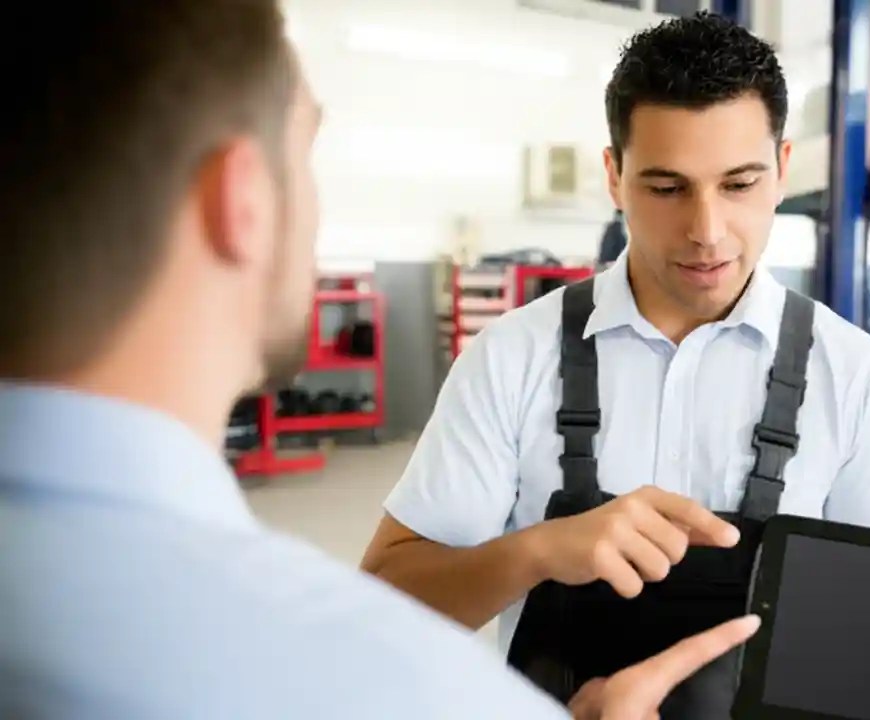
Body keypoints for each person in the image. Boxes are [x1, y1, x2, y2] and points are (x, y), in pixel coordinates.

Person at [0, 3, 757, 718]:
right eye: (305, 155)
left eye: (739, 184)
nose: (706, 229)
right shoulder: (383, 687)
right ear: (245, 204)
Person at [363, 11, 870, 718]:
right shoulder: (512, 358)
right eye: (666, 188)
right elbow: (381, 604)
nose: (706, 231)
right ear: (614, 175)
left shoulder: (854, 377)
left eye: (740, 184)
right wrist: (537, 551)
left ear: (783, 170)